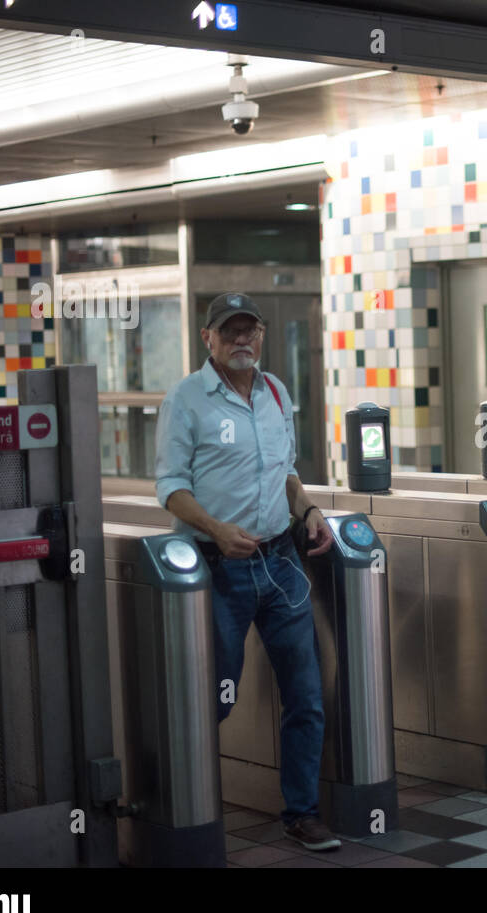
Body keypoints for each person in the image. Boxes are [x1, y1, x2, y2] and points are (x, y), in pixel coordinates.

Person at [154, 292, 340, 852]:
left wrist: (308, 509)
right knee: (214, 697)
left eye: (250, 331)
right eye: (230, 331)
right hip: (218, 568)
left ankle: (301, 813)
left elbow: (285, 471)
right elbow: (170, 489)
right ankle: (183, 809)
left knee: (305, 694)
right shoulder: (186, 400)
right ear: (207, 338)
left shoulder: (276, 391)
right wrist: (215, 528)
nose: (243, 341)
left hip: (280, 561)